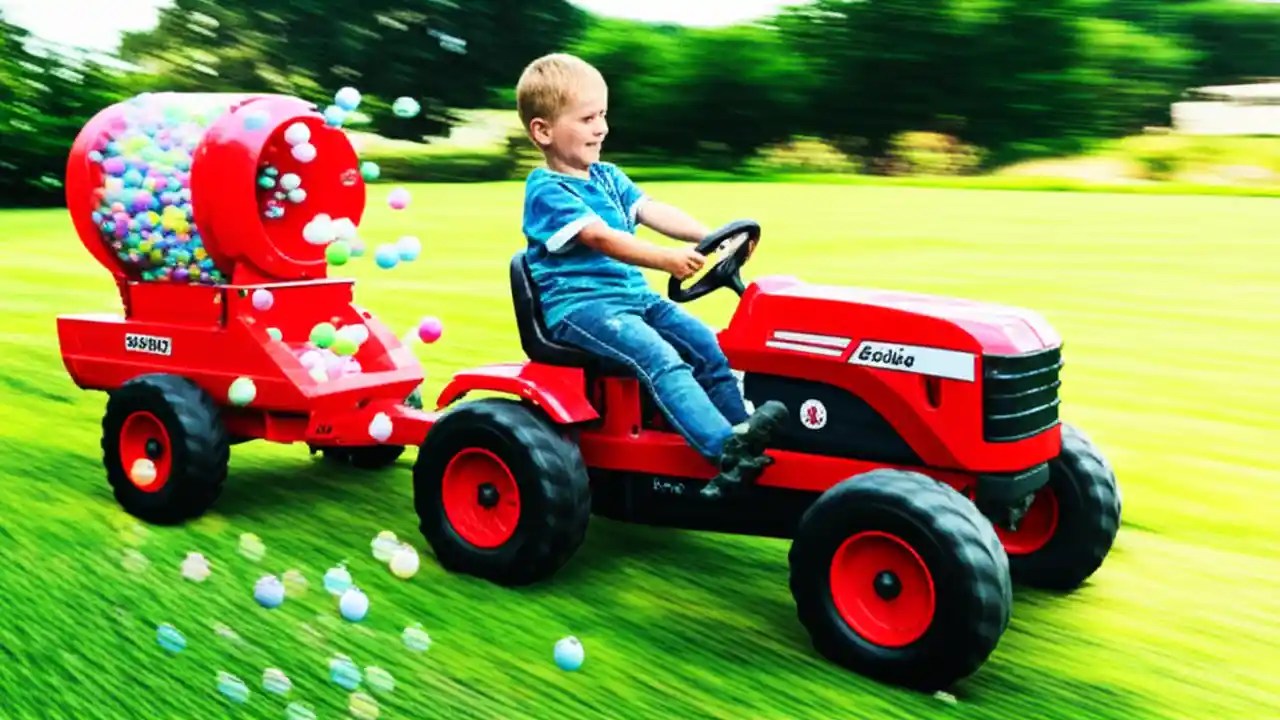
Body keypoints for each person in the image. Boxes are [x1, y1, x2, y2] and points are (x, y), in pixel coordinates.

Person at [515, 52, 787, 500]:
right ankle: (722, 451)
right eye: (586, 119)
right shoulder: (547, 190)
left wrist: (713, 236)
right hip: (581, 308)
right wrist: (665, 259)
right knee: (661, 359)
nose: (601, 127)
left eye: (602, 115)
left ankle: (744, 433)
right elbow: (601, 238)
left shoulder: (606, 176)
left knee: (709, 348)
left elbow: (652, 210)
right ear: (543, 131)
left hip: (633, 299)